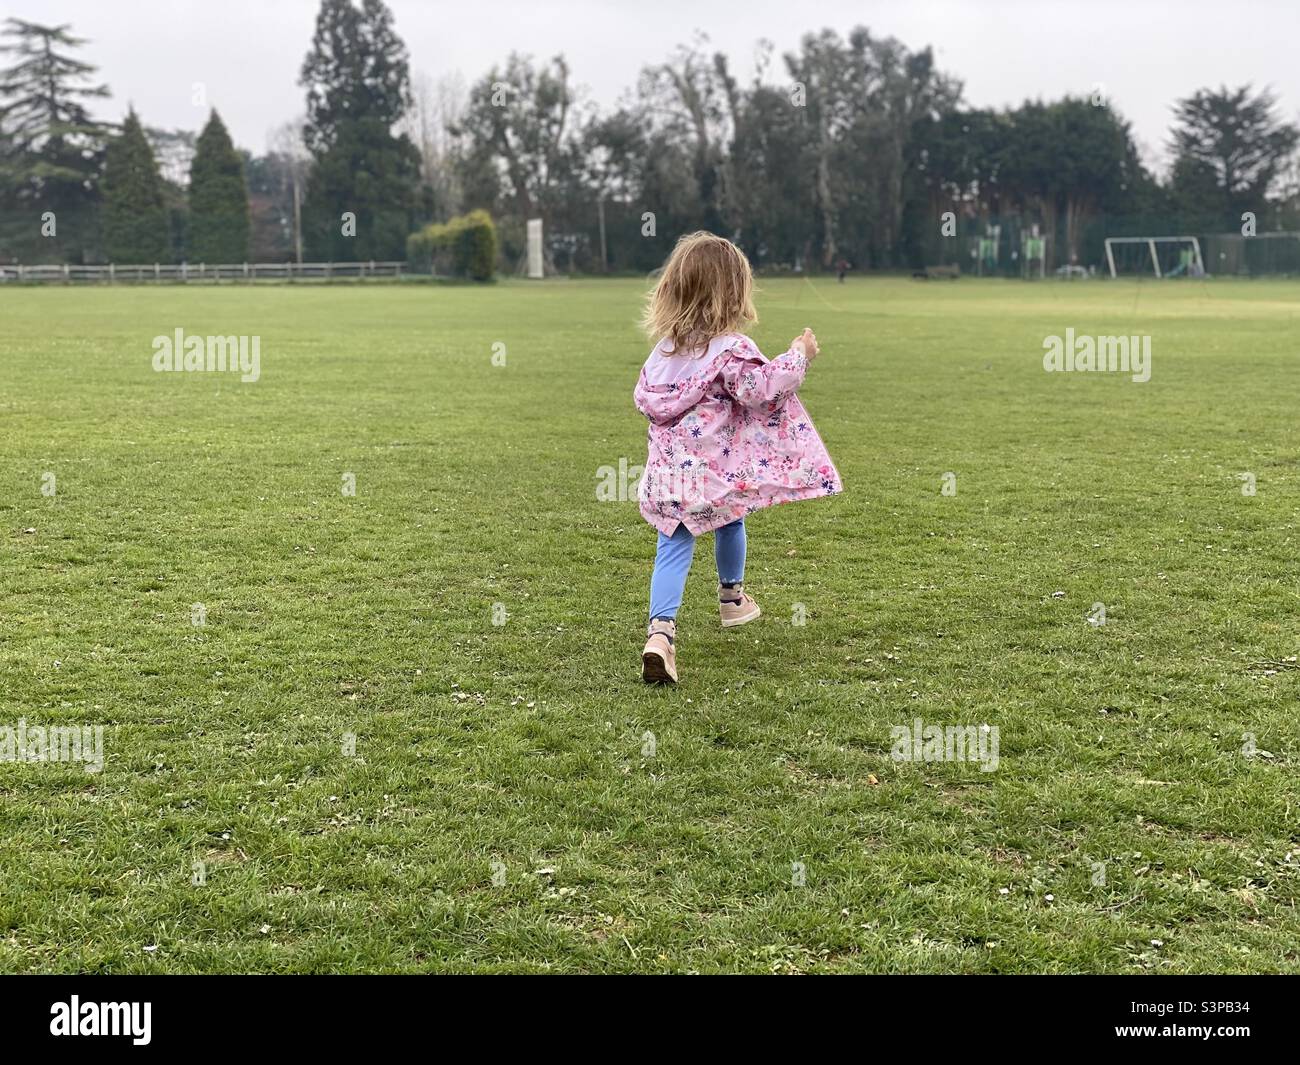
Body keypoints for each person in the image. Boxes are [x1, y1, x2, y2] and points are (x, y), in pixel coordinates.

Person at [633, 232, 842, 684]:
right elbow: (759, 388)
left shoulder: (663, 353)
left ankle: (660, 635)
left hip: (669, 475)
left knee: (672, 546)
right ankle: (731, 598)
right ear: (734, 293)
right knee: (732, 514)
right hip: (714, 476)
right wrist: (799, 355)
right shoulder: (729, 349)